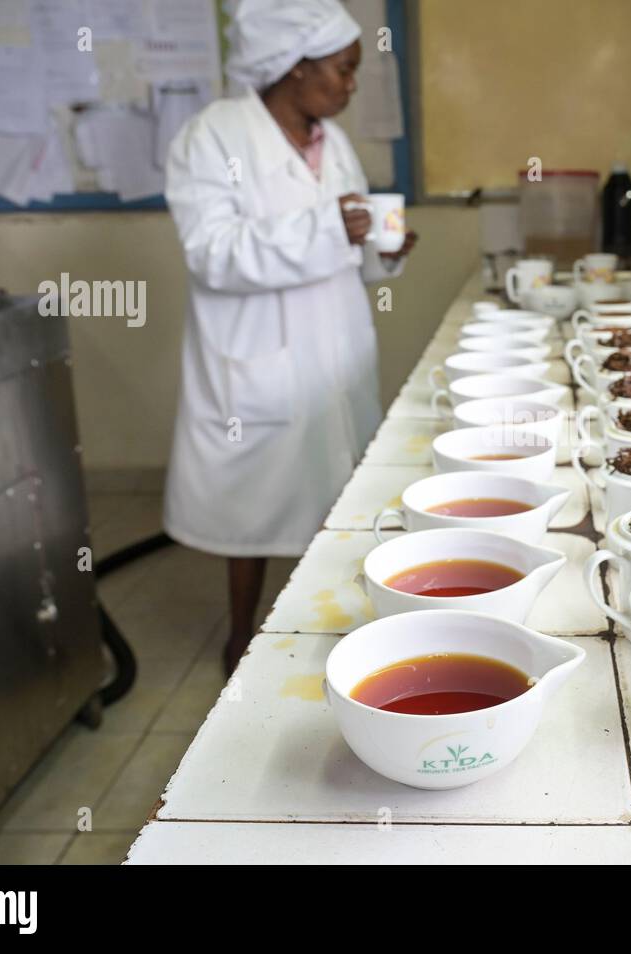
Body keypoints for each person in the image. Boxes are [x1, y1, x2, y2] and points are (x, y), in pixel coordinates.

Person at [162, 0, 417, 675]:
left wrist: (385, 252)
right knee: (253, 510)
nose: (351, 84)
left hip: (334, 348)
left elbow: (350, 245)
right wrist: (330, 228)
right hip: (258, 358)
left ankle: (340, 624)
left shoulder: (333, 144)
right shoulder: (212, 137)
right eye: (344, 69)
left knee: (341, 489)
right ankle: (241, 631)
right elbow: (212, 251)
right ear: (297, 67)